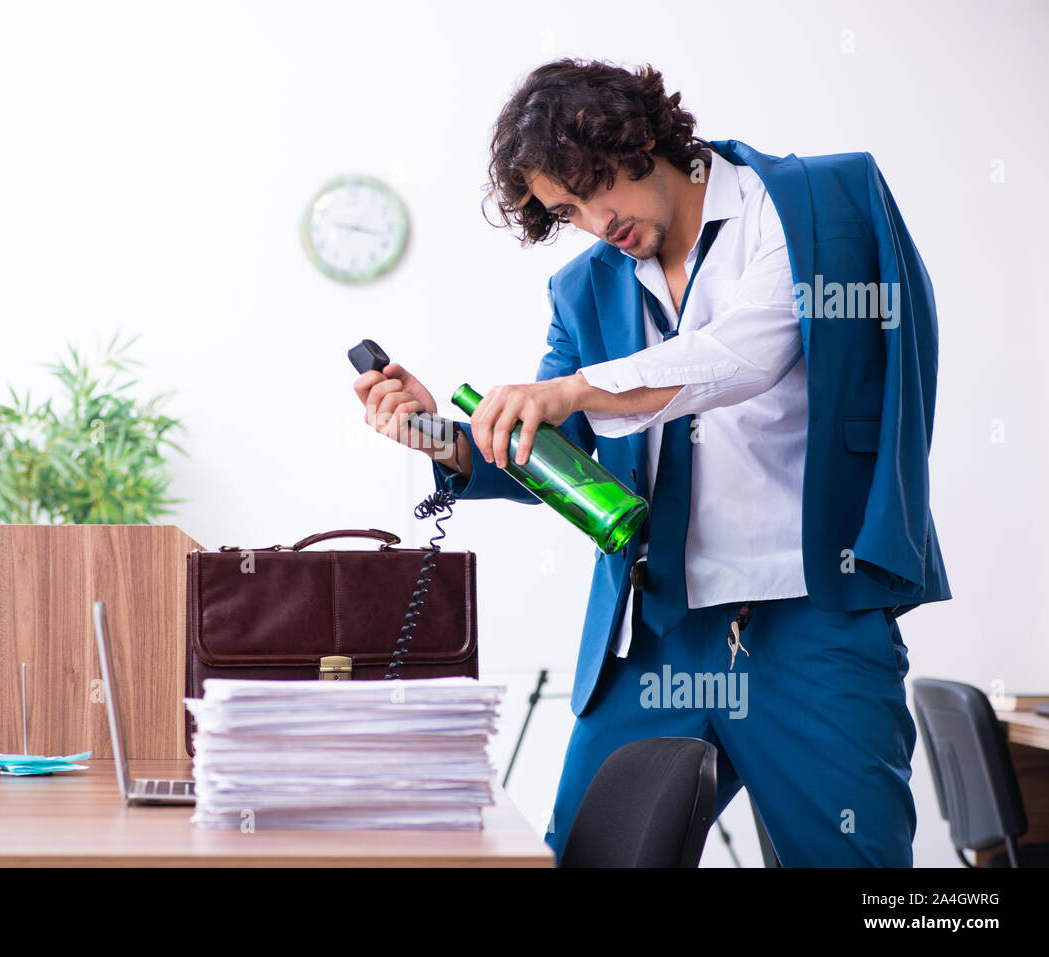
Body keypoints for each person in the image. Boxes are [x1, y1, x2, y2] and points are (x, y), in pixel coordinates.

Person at [351, 58, 949, 866]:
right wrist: (441, 433)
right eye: (566, 209)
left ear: (642, 136)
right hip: (655, 635)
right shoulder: (583, 289)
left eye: (595, 185)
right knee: (589, 858)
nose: (596, 219)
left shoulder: (811, 202)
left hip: (813, 621)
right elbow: (565, 456)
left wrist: (570, 389)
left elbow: (744, 353)